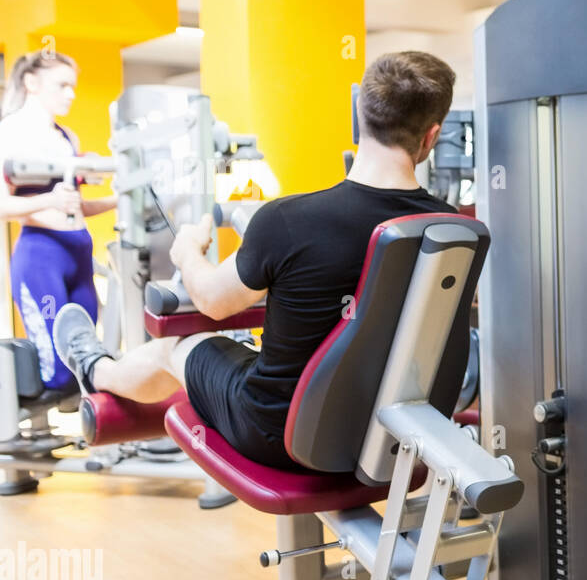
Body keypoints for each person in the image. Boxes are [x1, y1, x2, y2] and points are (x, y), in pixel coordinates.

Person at [52, 50, 460, 470]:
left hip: (280, 437)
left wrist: (188, 251)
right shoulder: (452, 231)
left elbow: (212, 301)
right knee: (244, 352)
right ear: (431, 135)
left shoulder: (287, 220)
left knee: (174, 346)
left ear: (360, 120)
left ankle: (93, 369)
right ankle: (99, 368)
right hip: (395, 432)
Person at [0, 50, 115, 393]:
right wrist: (50, 199)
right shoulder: (11, 132)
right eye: (62, 85)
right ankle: (35, 435)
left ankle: (92, 436)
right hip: (42, 257)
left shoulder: (67, 137)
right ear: (31, 82)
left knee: (87, 356)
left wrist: (119, 199)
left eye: (73, 87)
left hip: (78, 254)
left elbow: (75, 207)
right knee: (58, 368)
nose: (71, 94)